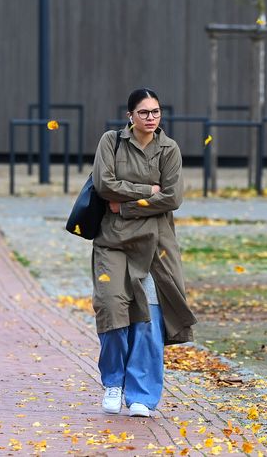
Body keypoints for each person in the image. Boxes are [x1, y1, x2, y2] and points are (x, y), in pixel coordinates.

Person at [91, 88, 196, 417]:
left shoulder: (169, 149)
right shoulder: (111, 142)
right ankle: (113, 383)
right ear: (130, 116)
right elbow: (103, 184)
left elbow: (172, 198)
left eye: (156, 112)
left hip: (154, 245)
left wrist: (123, 207)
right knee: (111, 310)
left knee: (148, 320)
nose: (151, 118)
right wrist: (145, 191)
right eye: (144, 113)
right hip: (112, 242)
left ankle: (142, 395)